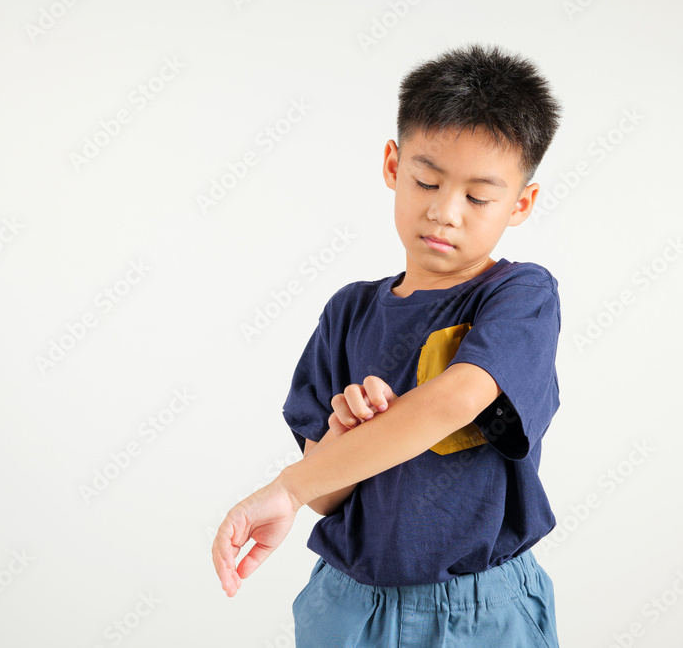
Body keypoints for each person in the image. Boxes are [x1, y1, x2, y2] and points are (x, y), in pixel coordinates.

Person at [211, 42, 564, 647]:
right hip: (348, 605)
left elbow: (454, 402)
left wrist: (287, 486)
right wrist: (342, 440)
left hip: (480, 609)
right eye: (427, 180)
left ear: (520, 204)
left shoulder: (520, 296)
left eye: (479, 197)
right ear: (393, 166)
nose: (445, 212)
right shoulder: (349, 311)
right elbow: (326, 495)